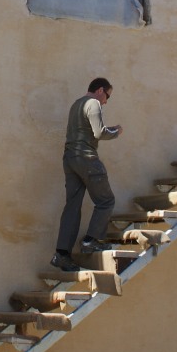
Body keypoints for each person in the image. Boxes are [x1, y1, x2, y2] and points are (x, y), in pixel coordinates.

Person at [52, 77, 122, 271]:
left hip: (70, 159)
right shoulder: (93, 103)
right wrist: (116, 131)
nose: (106, 101)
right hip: (86, 158)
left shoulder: (76, 104)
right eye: (107, 96)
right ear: (100, 90)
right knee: (106, 200)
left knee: (72, 206)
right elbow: (99, 132)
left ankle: (61, 255)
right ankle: (91, 241)